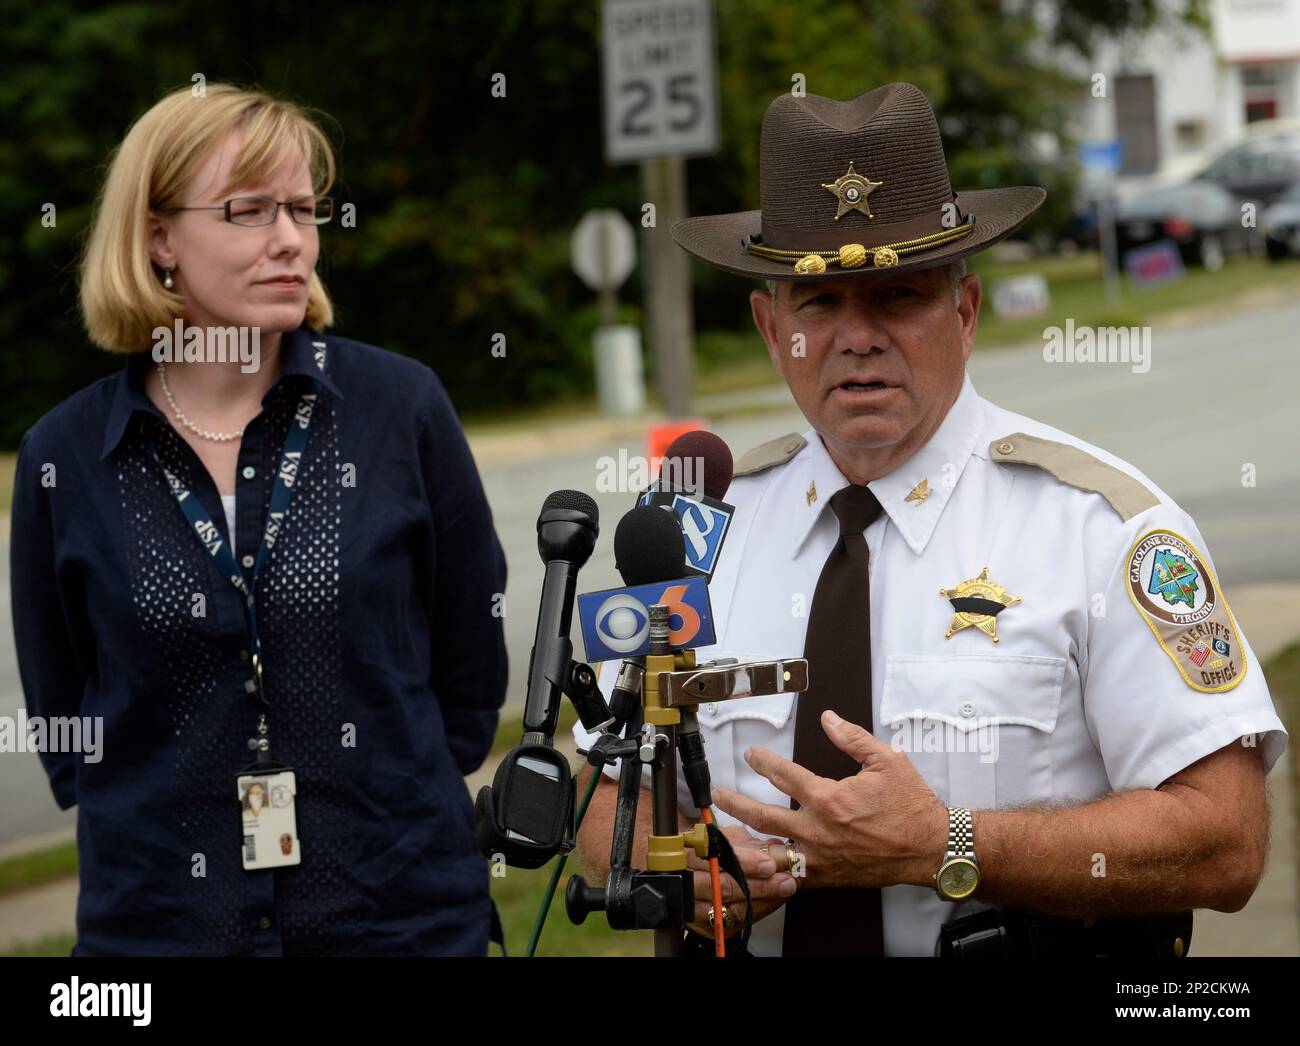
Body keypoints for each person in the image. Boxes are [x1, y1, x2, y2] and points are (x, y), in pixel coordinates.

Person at [573, 82, 1287, 956]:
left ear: (966, 311)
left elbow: (1227, 839)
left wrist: (946, 845)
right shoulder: (695, 532)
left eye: (901, 296)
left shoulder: (1104, 530)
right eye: (820, 303)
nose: (859, 336)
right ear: (770, 326)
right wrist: (673, 871)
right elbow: (604, 788)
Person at [10, 83, 507, 956]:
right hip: (161, 938)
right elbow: (65, 713)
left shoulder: (400, 407)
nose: (290, 240)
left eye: (304, 210)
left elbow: (468, 676)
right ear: (158, 235)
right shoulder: (67, 455)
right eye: (247, 211)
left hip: (400, 922)